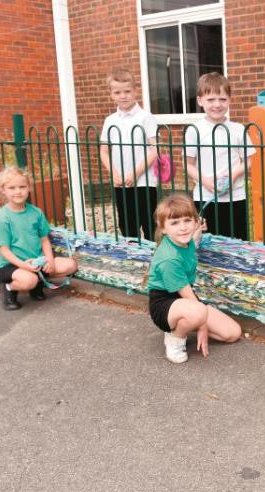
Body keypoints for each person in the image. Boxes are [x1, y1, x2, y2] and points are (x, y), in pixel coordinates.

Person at [147, 193, 242, 363]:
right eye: (174, 223)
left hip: (185, 300)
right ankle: (175, 338)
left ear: (196, 222)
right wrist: (202, 327)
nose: (183, 227)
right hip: (164, 304)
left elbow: (194, 236)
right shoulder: (169, 259)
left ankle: (186, 322)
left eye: (187, 220)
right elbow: (189, 297)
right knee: (198, 313)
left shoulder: (186, 240)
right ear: (162, 228)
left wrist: (197, 228)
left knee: (232, 333)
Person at [0, 167, 78, 311]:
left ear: (29, 188)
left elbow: (44, 239)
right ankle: (10, 288)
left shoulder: (36, 212)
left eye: (22, 187)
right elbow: (4, 251)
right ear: (3, 190)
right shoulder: (2, 218)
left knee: (70, 265)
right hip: (11, 265)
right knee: (29, 280)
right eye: (12, 188)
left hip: (37, 261)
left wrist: (49, 260)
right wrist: (24, 266)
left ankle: (37, 284)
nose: (18, 191)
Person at [184, 72, 255, 240]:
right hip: (205, 196)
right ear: (200, 100)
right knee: (208, 242)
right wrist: (206, 181)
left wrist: (232, 176)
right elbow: (188, 164)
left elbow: (248, 161)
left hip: (236, 196)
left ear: (230, 100)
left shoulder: (238, 129)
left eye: (222, 99)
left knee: (237, 242)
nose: (217, 104)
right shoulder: (194, 130)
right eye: (211, 99)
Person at [100, 68, 159, 240]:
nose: (123, 96)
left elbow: (156, 149)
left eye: (127, 91)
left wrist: (135, 173)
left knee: (148, 222)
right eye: (117, 92)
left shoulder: (145, 117)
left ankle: (151, 257)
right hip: (121, 183)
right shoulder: (110, 120)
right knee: (126, 224)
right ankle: (133, 258)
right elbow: (104, 151)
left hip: (143, 182)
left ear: (135, 91)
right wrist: (115, 174)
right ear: (111, 94)